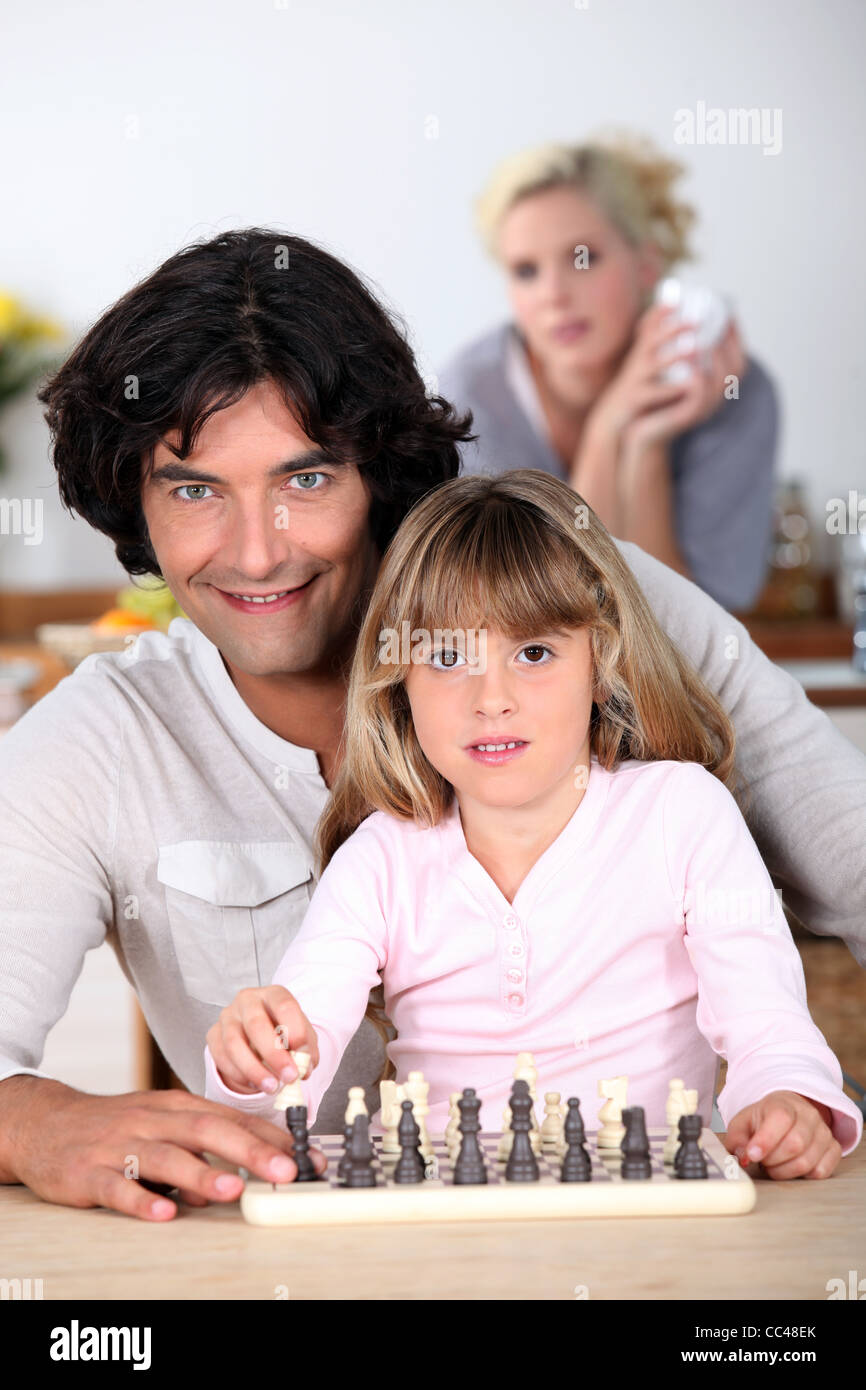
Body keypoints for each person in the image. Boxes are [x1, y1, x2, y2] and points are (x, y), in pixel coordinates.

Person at [0, 230, 863, 1223]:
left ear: (378, 471)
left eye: (306, 479)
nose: (255, 551)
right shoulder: (98, 742)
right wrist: (29, 1120)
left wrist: (788, 1093)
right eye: (194, 489)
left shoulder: (599, 597)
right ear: (133, 506)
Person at [204, 471, 861, 1178]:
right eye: (449, 658)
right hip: (447, 1224)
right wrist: (256, 1058)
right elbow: (292, 1061)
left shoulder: (682, 813)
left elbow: (767, 1019)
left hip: (650, 1218)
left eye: (535, 653)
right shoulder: (380, 860)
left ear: (600, 661)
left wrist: (788, 1097)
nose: (493, 700)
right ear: (399, 679)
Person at [438, 136, 779, 613]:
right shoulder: (473, 394)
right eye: (526, 270)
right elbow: (546, 612)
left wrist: (645, 446)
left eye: (584, 258)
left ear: (646, 267)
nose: (554, 294)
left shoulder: (736, 391)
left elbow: (695, 630)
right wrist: (608, 428)